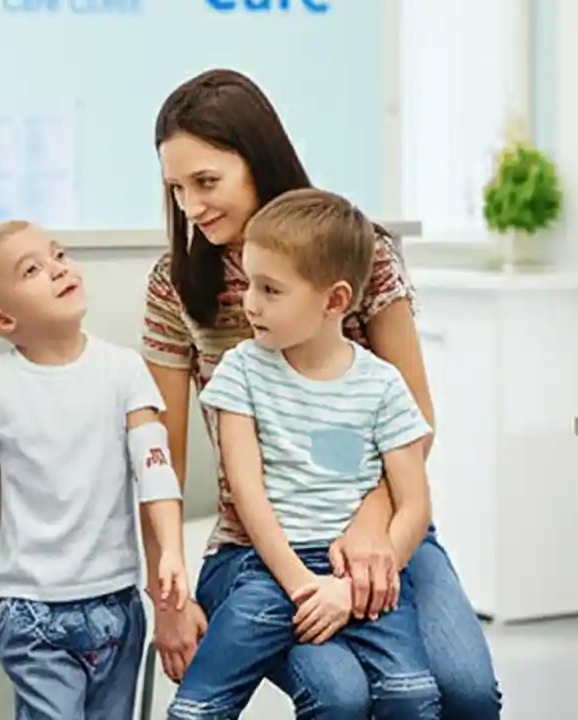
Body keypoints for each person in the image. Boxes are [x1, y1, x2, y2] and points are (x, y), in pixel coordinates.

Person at [141, 69, 503, 719]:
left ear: (257, 159)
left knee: (467, 691)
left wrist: (373, 527)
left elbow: (414, 417)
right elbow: (160, 456)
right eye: (176, 188)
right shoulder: (175, 282)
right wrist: (165, 596)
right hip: (256, 547)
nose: (191, 206)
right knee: (340, 691)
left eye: (206, 182)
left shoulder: (362, 253)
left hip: (380, 522)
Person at [168, 188, 440, 720]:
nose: (250, 303)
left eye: (270, 290)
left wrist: (354, 586)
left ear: (335, 301)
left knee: (412, 693)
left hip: (362, 578)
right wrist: (301, 584)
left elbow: (414, 505)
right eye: (249, 283)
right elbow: (249, 496)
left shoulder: (383, 386)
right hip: (270, 571)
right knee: (197, 708)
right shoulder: (241, 372)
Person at [0, 219, 189, 720]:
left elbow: (154, 468)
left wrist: (171, 553)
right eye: (32, 269)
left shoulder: (124, 370)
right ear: (1, 320)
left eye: (58, 254)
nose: (57, 269)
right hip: (31, 611)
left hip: (117, 603)